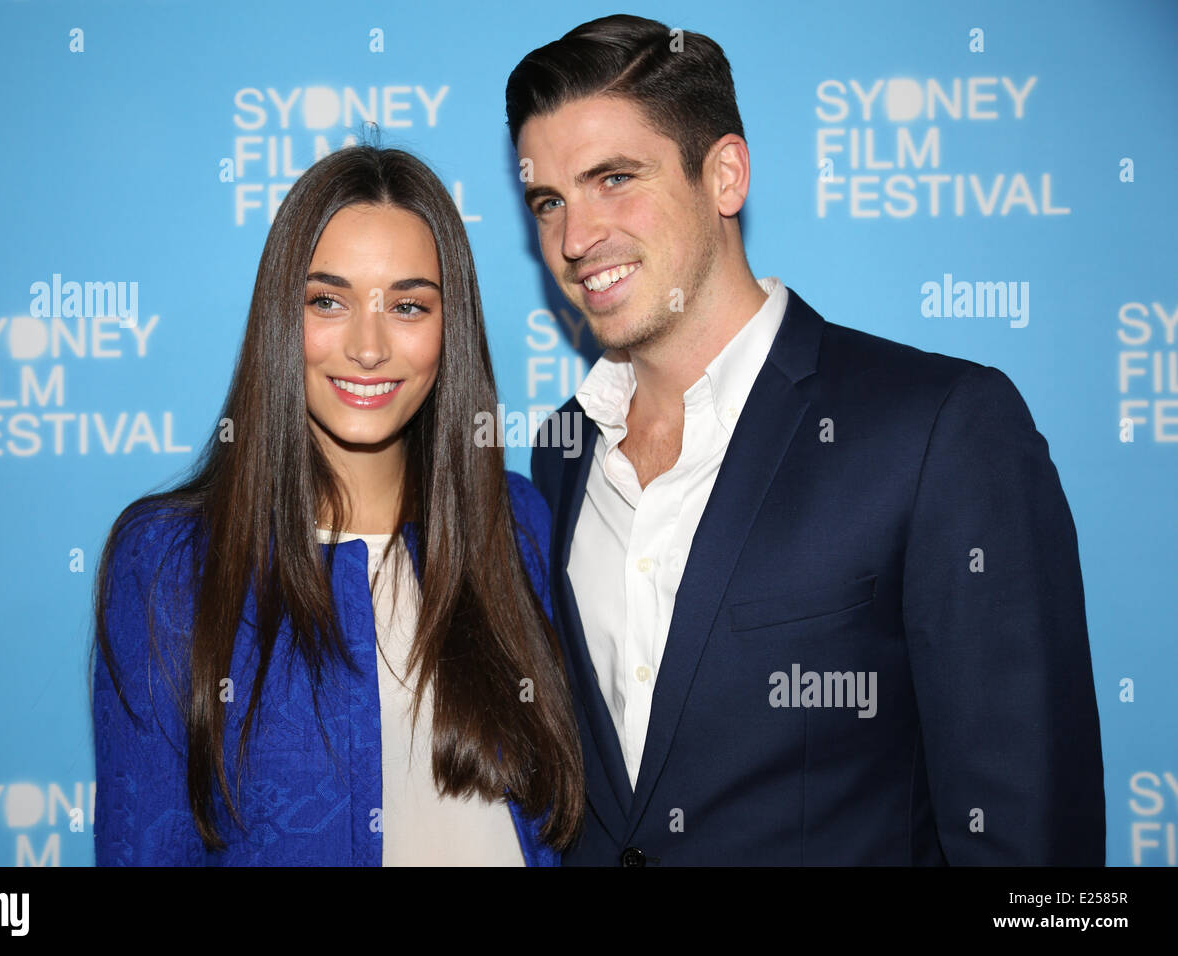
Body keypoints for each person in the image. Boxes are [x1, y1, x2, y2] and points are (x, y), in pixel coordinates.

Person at [508, 14, 1105, 865]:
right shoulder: (560, 456)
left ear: (724, 174)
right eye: (550, 200)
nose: (574, 239)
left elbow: (1032, 842)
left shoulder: (939, 427)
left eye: (615, 179)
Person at [91, 144, 584, 866]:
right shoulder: (170, 560)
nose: (368, 346)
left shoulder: (515, 527)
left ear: (451, 331)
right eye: (329, 300)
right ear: (280, 319)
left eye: (408, 306)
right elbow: (147, 849)